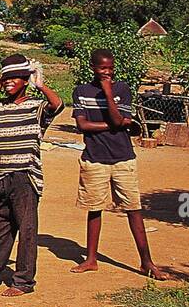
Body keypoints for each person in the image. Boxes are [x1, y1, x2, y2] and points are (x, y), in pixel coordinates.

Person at [0, 54, 64, 296]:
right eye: (6, 78)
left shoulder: (35, 108)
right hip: (3, 178)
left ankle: (23, 282)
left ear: (25, 80)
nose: (9, 82)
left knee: (26, 231)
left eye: (15, 78)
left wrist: (40, 85)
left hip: (25, 177)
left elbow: (57, 105)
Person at [69, 49, 167, 279]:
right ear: (92, 67)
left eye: (111, 68)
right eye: (103, 68)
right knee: (95, 209)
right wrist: (118, 125)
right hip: (94, 159)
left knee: (133, 209)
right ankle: (91, 259)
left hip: (123, 158)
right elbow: (83, 126)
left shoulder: (121, 89)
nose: (107, 72)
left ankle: (146, 262)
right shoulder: (81, 92)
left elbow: (116, 118)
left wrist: (108, 92)